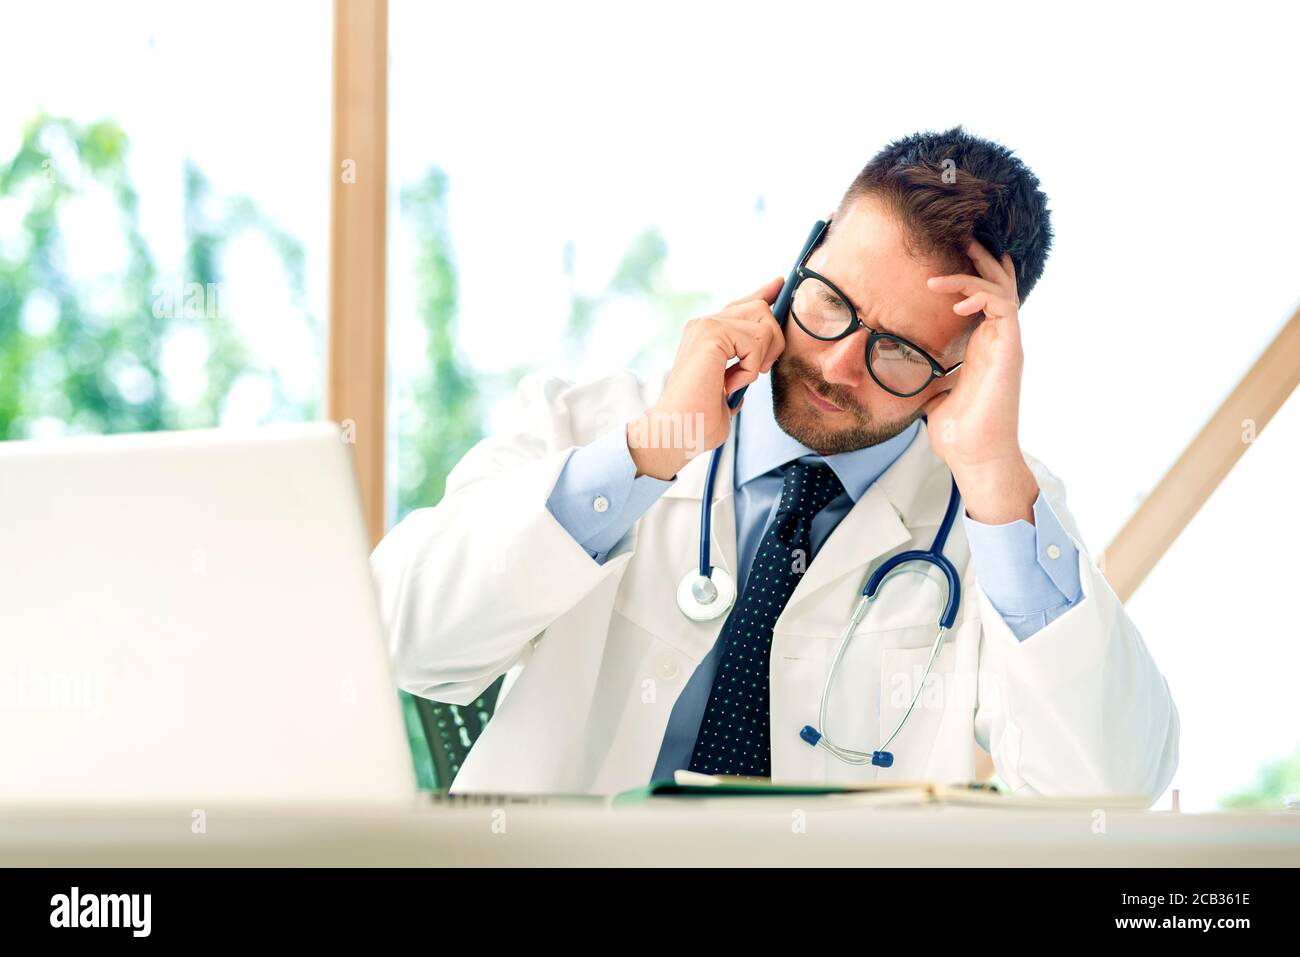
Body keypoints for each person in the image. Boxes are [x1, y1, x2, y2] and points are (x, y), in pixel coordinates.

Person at [370, 126, 1179, 800]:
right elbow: (402, 638)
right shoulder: (594, 423)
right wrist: (649, 455)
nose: (837, 365)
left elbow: (1110, 793)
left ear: (968, 367)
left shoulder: (995, 517)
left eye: (897, 349)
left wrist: (995, 478)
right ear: (805, 253)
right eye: (831, 300)